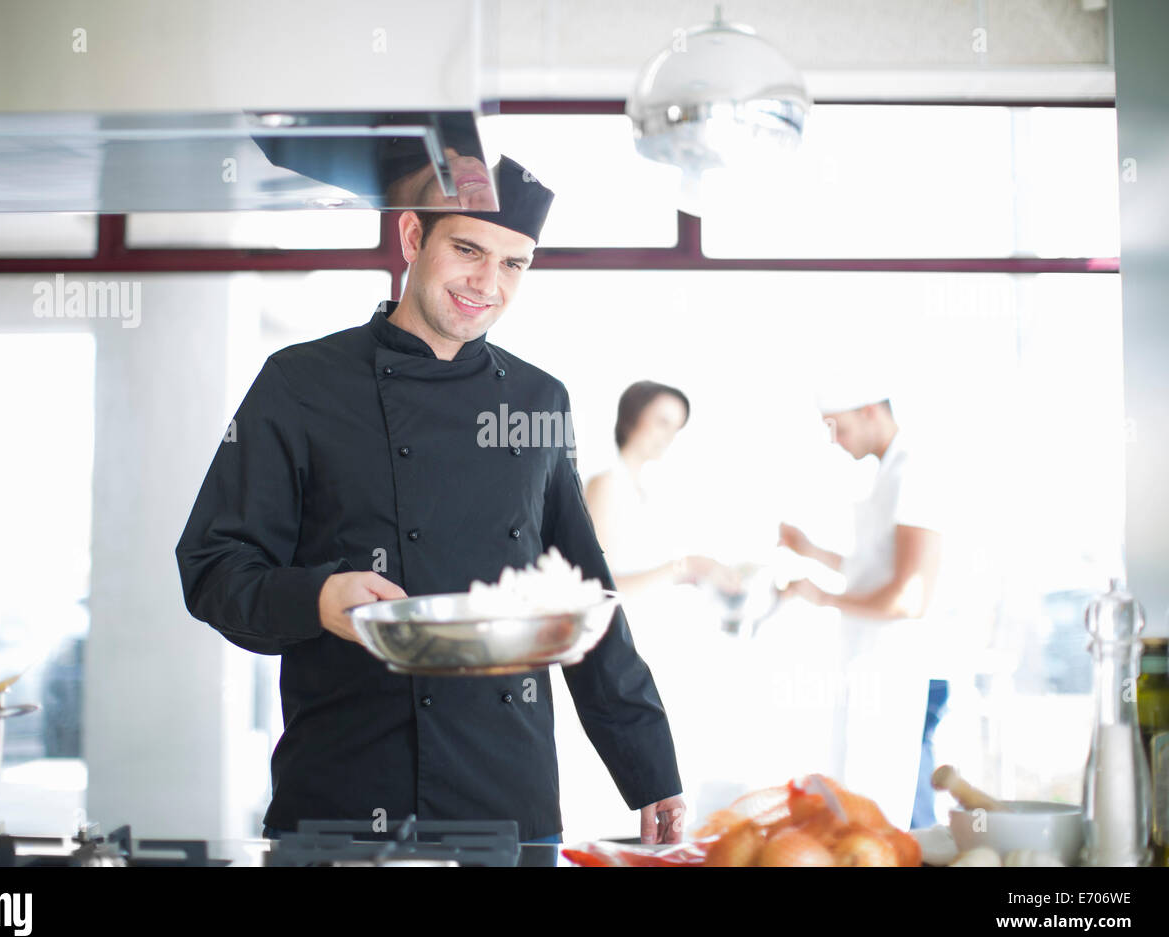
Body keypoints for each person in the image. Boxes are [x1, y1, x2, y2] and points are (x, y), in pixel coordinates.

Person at [175, 157, 685, 845]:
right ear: (414, 238)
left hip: (507, 795)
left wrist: (650, 768)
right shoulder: (301, 383)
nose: (488, 283)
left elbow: (587, 595)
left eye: (514, 264)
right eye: (468, 250)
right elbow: (212, 567)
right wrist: (318, 599)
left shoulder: (540, 401)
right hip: (347, 789)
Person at [778, 392, 943, 829]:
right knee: (865, 807)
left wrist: (825, 598)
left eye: (839, 427)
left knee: (892, 818)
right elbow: (870, 569)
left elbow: (908, 597)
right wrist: (809, 551)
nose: (834, 441)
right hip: (871, 666)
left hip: (899, 669)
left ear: (871, 410)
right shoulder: (886, 475)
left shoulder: (914, 472)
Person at [585, 381, 741, 596]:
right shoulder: (607, 485)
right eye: (662, 422)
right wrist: (687, 565)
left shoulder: (643, 491)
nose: (669, 436)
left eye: (676, 428)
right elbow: (601, 586)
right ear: (633, 416)